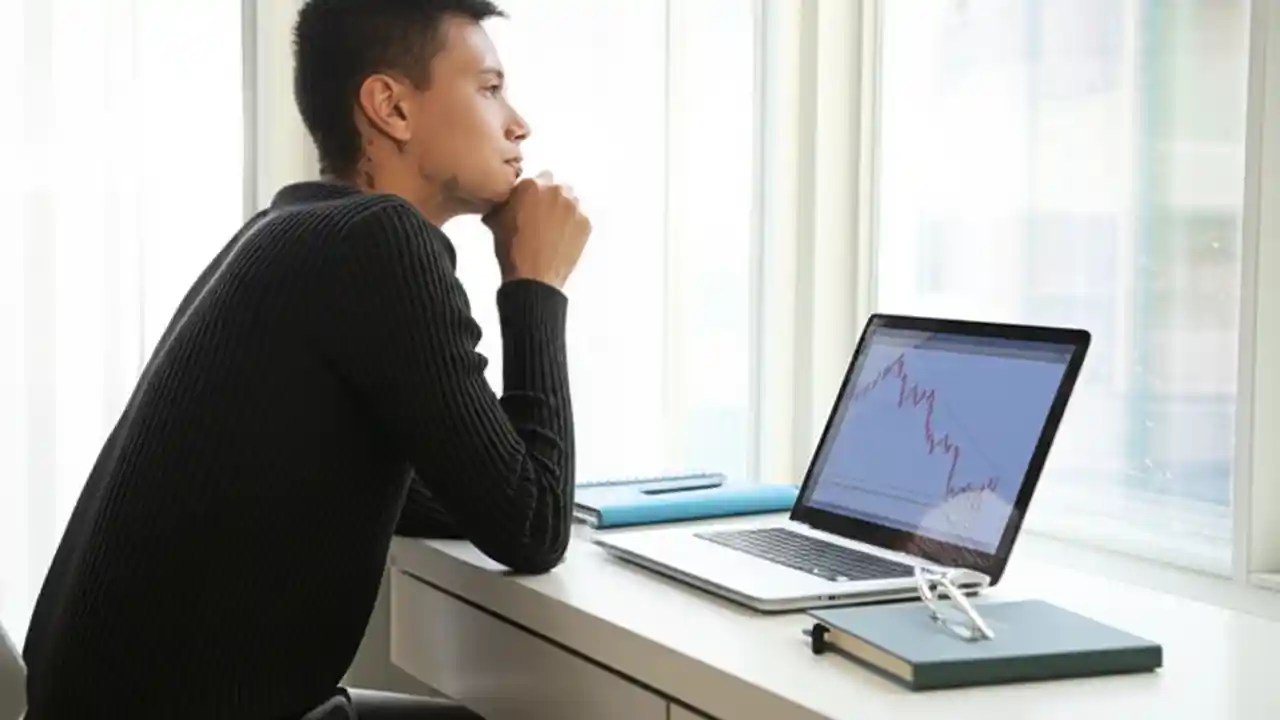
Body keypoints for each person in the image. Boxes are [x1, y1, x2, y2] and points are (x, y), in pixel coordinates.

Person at [21, 0, 590, 717]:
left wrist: (500, 470)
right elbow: (533, 527)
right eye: (488, 86)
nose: (517, 122)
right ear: (391, 107)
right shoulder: (380, 241)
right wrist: (534, 283)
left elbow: (418, 486)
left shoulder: (288, 229)